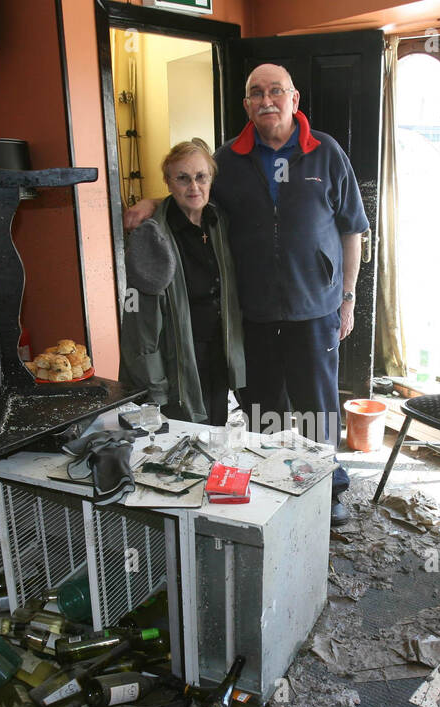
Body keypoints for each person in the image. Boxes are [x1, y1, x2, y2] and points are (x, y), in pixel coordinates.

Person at [125, 64, 368, 526]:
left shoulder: (327, 154)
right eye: (256, 92)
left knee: (318, 407)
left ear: (294, 98)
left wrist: (349, 298)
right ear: (246, 105)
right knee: (262, 406)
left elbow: (352, 229)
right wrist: (151, 203)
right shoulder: (229, 159)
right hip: (251, 313)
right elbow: (191, 189)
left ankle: (328, 489)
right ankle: (271, 478)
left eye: (276, 90)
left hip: (316, 310)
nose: (266, 100)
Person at [119, 139, 245, 426]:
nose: (194, 187)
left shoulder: (219, 222)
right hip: (175, 356)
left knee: (215, 428)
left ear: (211, 178)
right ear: (168, 182)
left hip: (218, 348)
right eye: (183, 179)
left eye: (201, 177)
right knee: (182, 433)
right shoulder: (152, 237)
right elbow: (141, 324)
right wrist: (153, 385)